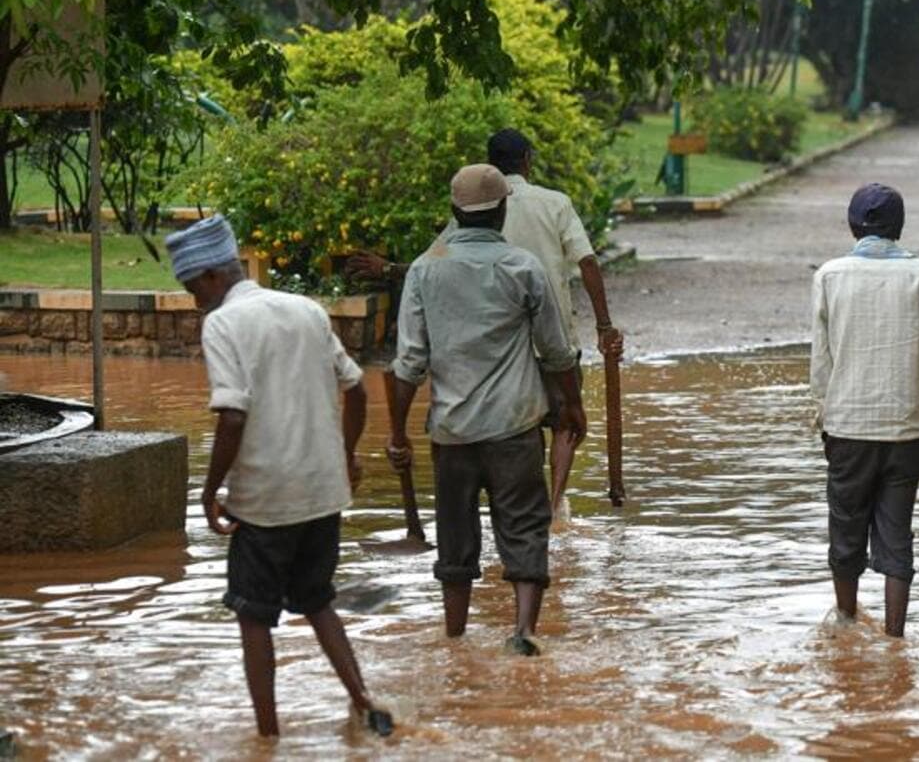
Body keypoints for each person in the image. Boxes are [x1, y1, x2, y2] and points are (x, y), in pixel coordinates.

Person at [167, 215, 393, 739]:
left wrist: (209, 490)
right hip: (323, 492)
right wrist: (346, 456)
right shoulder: (305, 309)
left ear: (210, 277)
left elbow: (233, 416)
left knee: (253, 616)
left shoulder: (222, 324)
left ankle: (267, 737)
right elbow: (357, 391)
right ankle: (365, 703)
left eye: (192, 289)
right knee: (318, 602)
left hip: (265, 499)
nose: (194, 301)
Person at [349, 129, 622, 506]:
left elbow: (432, 261)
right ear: (528, 160)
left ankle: (523, 503)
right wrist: (604, 325)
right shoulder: (555, 203)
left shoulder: (471, 211)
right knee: (564, 423)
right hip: (555, 335)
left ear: (490, 164)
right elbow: (587, 261)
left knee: (519, 425)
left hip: (501, 341)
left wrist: (387, 269)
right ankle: (555, 505)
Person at [387, 163, 586, 657]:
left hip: (451, 431)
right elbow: (556, 351)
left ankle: (454, 640)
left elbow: (408, 363)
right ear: (501, 212)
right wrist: (573, 405)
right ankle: (523, 630)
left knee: (455, 540)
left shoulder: (425, 269)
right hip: (514, 427)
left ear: (454, 211)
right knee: (525, 529)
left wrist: (397, 432)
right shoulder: (523, 267)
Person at [810, 183, 919, 638]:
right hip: (908, 431)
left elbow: (821, 362)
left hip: (848, 428)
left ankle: (845, 626)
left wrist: (823, 419)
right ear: (899, 227)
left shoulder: (829, 277)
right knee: (897, 536)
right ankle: (895, 639)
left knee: (845, 532)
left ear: (852, 226)